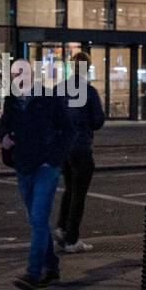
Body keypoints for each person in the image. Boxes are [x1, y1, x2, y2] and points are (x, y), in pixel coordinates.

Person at [0, 62, 73, 290]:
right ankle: (52, 269)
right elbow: (3, 127)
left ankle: (33, 273)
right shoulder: (11, 101)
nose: (19, 78)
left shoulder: (48, 98)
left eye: (23, 73)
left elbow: (69, 129)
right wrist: (4, 140)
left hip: (45, 167)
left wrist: (53, 158)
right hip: (23, 166)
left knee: (39, 219)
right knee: (36, 221)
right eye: (15, 75)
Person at [55, 53, 106, 254]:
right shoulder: (89, 91)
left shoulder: (59, 89)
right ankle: (72, 239)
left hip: (62, 147)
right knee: (79, 194)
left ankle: (61, 228)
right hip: (80, 146)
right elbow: (98, 120)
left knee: (69, 188)